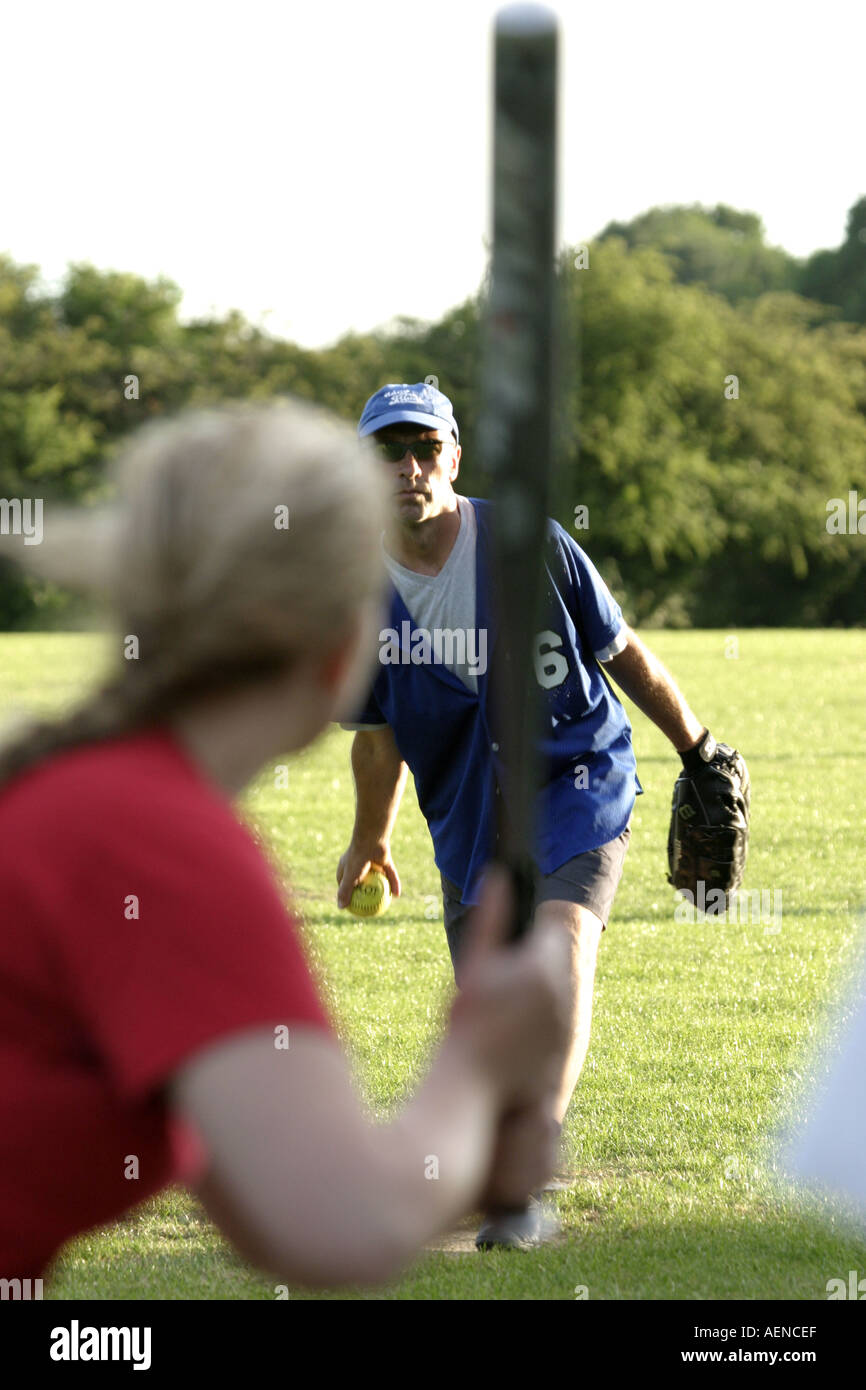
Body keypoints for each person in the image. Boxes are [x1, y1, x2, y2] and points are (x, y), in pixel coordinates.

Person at [0, 399, 572, 1289]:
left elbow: (274, 1207)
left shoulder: (92, 794)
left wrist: (457, 1161)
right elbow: (341, 1226)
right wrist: (477, 1061)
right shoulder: (162, 845)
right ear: (341, 640)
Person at [337, 381, 721, 1249]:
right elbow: (377, 736)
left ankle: (523, 1180)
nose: (408, 468)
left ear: (454, 456)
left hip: (578, 777)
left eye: (425, 448)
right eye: (386, 452)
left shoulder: (527, 542)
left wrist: (698, 750)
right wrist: (369, 837)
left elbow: (622, 653)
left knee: (561, 947)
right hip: (471, 814)